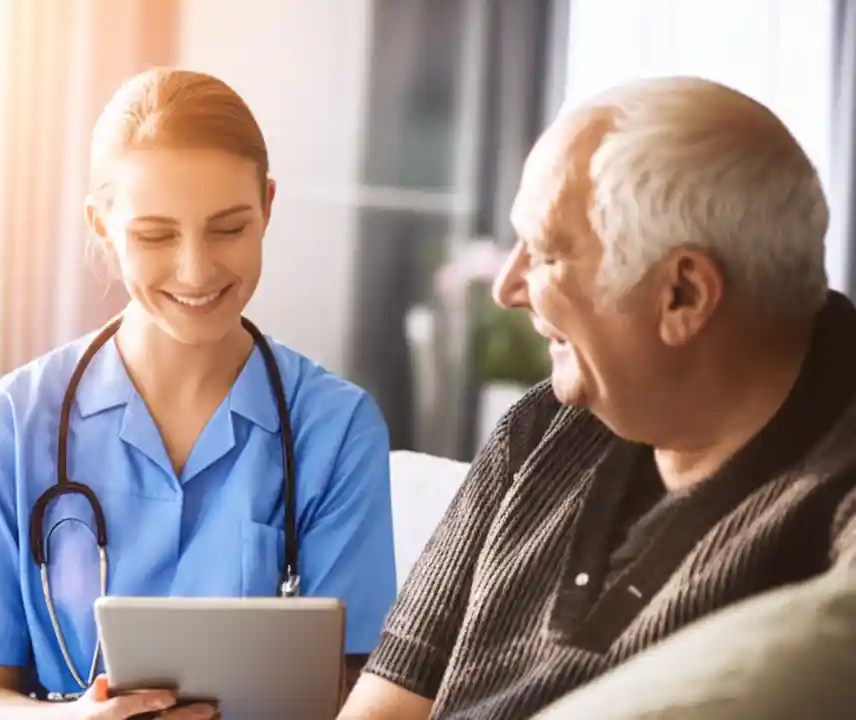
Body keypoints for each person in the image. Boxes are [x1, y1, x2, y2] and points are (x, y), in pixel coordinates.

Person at [339, 76, 856, 719]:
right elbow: (389, 705)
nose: (506, 287)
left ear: (683, 295)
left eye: (548, 254)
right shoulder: (546, 424)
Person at [0, 67, 397, 719]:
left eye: (228, 228)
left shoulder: (335, 431)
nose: (196, 270)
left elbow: (358, 698)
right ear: (103, 225)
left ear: (268, 208)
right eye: (156, 235)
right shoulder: (12, 426)